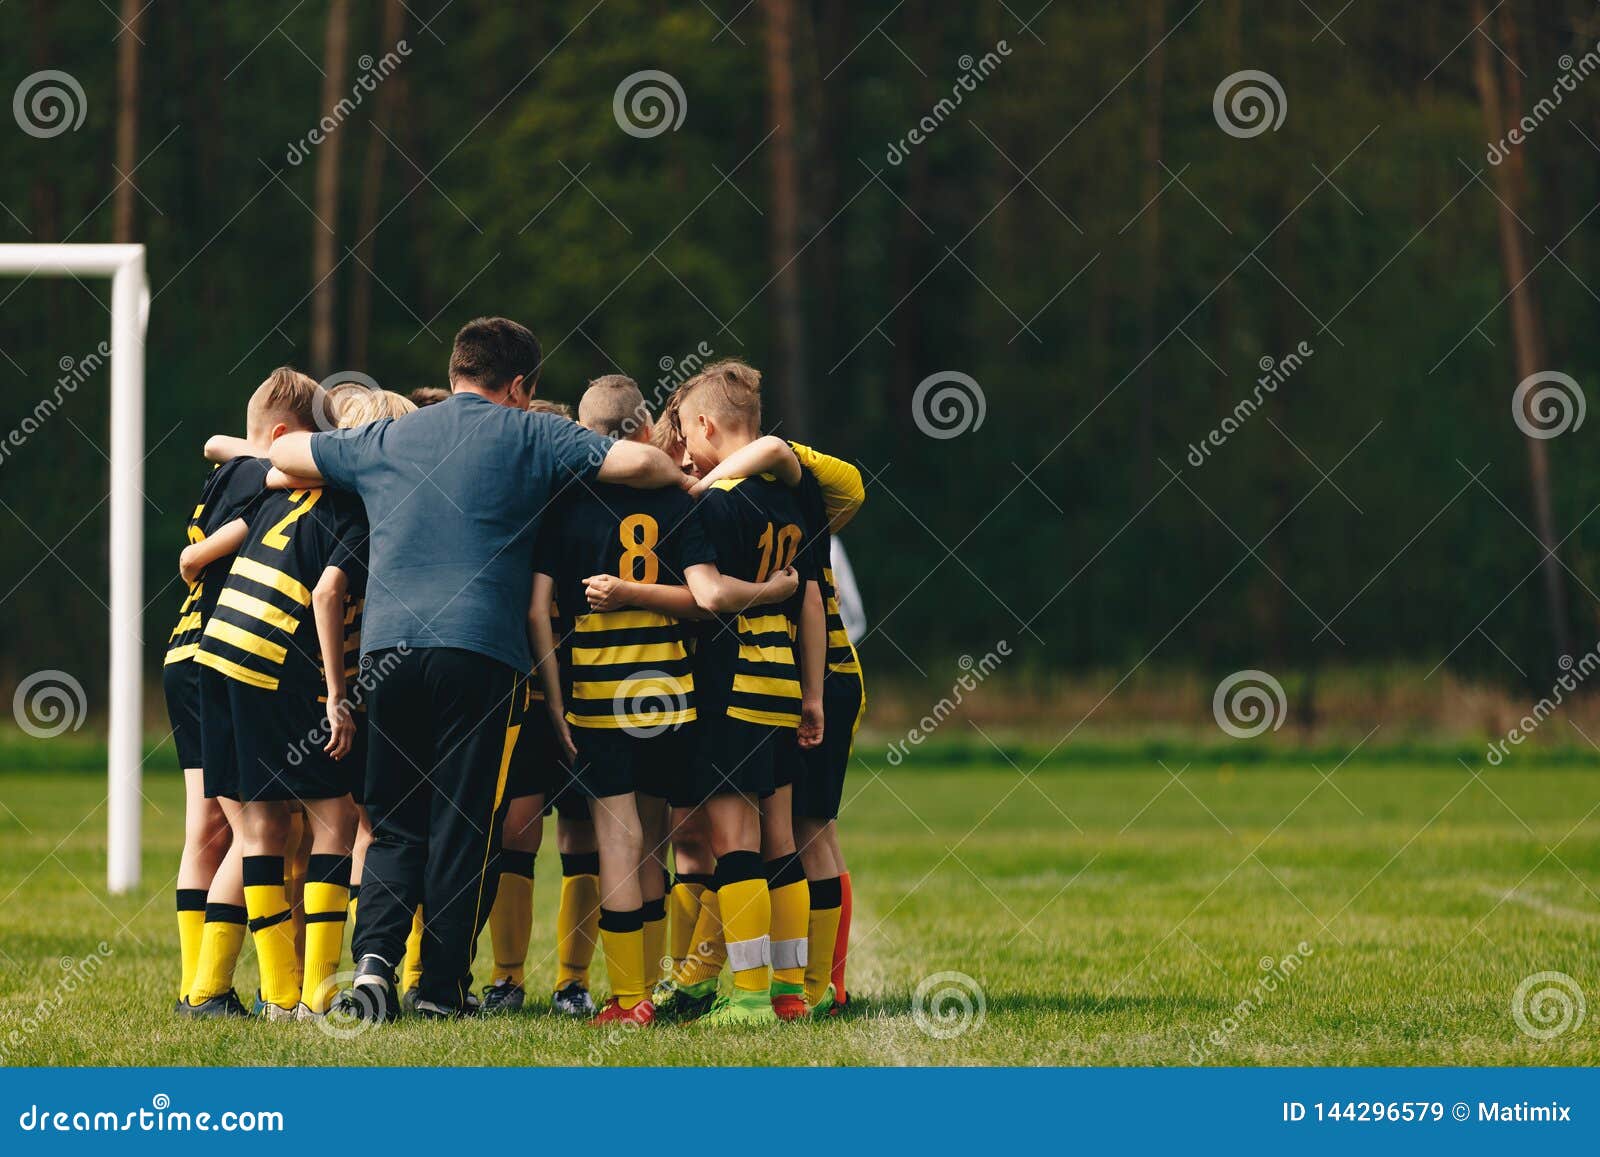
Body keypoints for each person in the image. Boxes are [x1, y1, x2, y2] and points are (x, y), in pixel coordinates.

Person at [268, 317, 685, 1019]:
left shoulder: (391, 435)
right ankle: (439, 988)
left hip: (388, 654)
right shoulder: (534, 433)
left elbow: (287, 459)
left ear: (458, 370)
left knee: (397, 819)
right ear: (519, 385)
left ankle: (373, 964)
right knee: (465, 820)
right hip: (480, 652)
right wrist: (684, 478)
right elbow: (638, 465)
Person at [530, 374, 798, 1025]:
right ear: (646, 431)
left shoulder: (565, 505)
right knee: (667, 844)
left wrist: (557, 698)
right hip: (671, 701)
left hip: (597, 699)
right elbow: (704, 604)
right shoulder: (681, 504)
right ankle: (686, 982)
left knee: (617, 842)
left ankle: (629, 998)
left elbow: (539, 609)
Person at [655, 360, 825, 1025]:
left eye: (689, 436)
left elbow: (709, 597)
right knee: (780, 839)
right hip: (781, 683)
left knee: (734, 843)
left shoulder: (712, 505)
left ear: (704, 425)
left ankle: (750, 996)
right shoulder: (793, 496)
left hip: (729, 689)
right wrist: (811, 695)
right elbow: (810, 597)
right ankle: (789, 991)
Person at [692, 436, 867, 1015]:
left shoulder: (793, 490)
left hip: (814, 674)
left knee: (803, 833)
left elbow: (772, 447)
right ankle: (800, 987)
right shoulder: (796, 504)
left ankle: (813, 986)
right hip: (805, 679)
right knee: (789, 834)